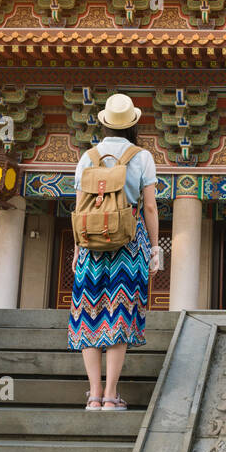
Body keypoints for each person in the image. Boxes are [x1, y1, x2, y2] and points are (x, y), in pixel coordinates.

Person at [67, 93, 163, 411]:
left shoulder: (88, 157)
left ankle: (93, 395)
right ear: (133, 124)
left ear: (105, 124)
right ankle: (110, 395)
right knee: (119, 315)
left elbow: (79, 207)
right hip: (128, 242)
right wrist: (154, 248)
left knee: (89, 316)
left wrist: (77, 248)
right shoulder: (142, 157)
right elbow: (149, 206)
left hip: (90, 246)